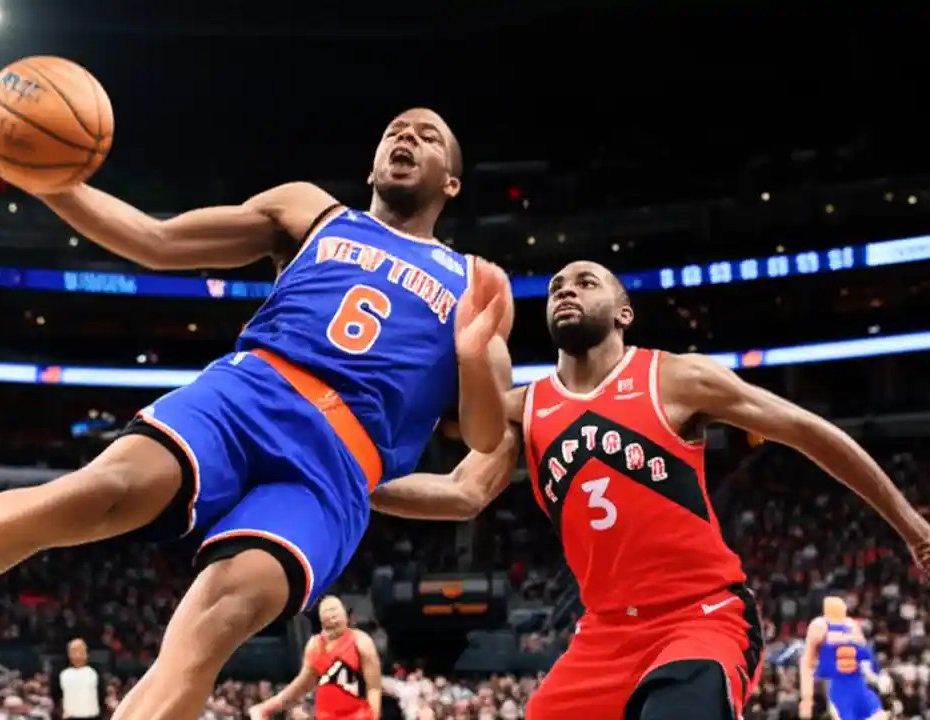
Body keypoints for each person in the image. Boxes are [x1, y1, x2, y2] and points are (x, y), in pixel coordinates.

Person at [0, 106, 515, 720]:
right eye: (394, 129)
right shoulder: (311, 211)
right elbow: (157, 242)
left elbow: (482, 440)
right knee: (101, 490)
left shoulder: (480, 282)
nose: (405, 137)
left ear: (450, 180)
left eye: (428, 134)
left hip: (337, 466)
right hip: (251, 391)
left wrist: (479, 357)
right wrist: (48, 179)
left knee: (213, 625)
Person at [368, 260, 930, 719]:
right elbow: (461, 493)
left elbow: (808, 431)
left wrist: (913, 526)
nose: (567, 290)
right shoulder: (525, 408)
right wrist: (354, 482)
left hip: (702, 617)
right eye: (558, 287)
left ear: (623, 313)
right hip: (603, 635)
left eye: (586, 283)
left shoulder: (677, 378)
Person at [249, 595, 382, 720]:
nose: (332, 616)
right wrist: (267, 707)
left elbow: (374, 687)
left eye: (335, 610)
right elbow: (302, 685)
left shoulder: (360, 640)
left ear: (346, 616)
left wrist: (373, 717)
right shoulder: (315, 645)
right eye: (327, 612)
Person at [799, 596, 888, 720]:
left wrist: (876, 676)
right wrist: (806, 700)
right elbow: (807, 662)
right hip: (836, 683)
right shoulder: (819, 625)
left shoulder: (851, 625)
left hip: (857, 682)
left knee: (879, 716)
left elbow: (865, 656)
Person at [55, 639, 102, 720]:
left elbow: (101, 695)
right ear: (69, 654)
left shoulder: (94, 672)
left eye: (81, 651)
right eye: (74, 652)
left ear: (87, 654)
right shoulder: (62, 674)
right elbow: (57, 696)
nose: (78, 655)